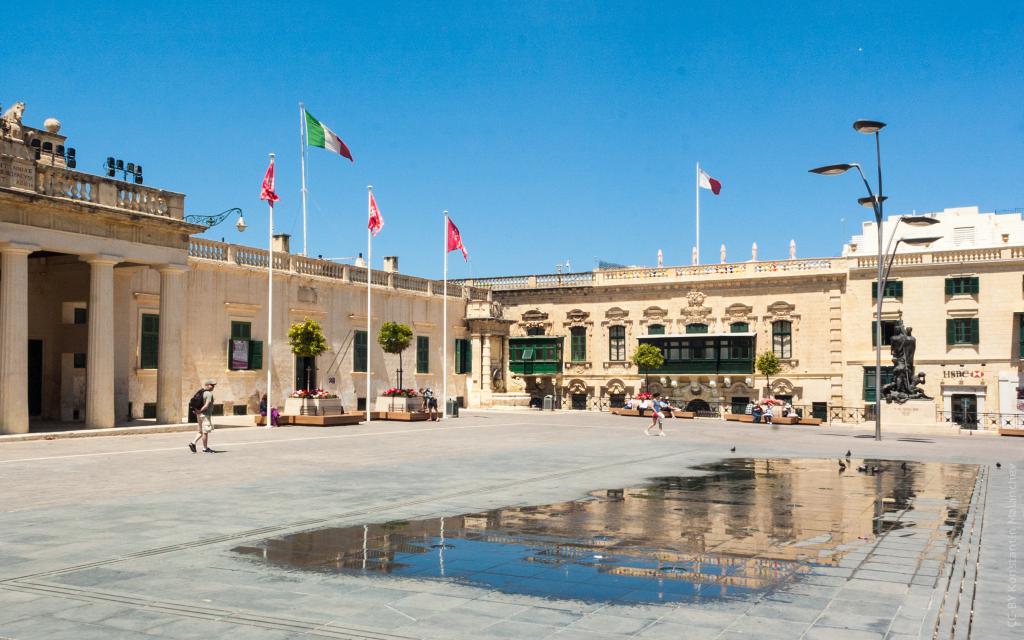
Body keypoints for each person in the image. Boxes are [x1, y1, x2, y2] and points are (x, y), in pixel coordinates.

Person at [189, 380, 216, 453]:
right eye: (212, 385)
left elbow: (193, 402)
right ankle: (205, 448)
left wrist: (197, 411)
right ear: (207, 385)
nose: (213, 387)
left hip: (199, 415)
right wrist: (200, 411)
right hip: (205, 415)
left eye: (214, 385)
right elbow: (206, 405)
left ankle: (193, 443)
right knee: (205, 432)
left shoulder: (200, 392)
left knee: (200, 431)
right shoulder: (209, 394)